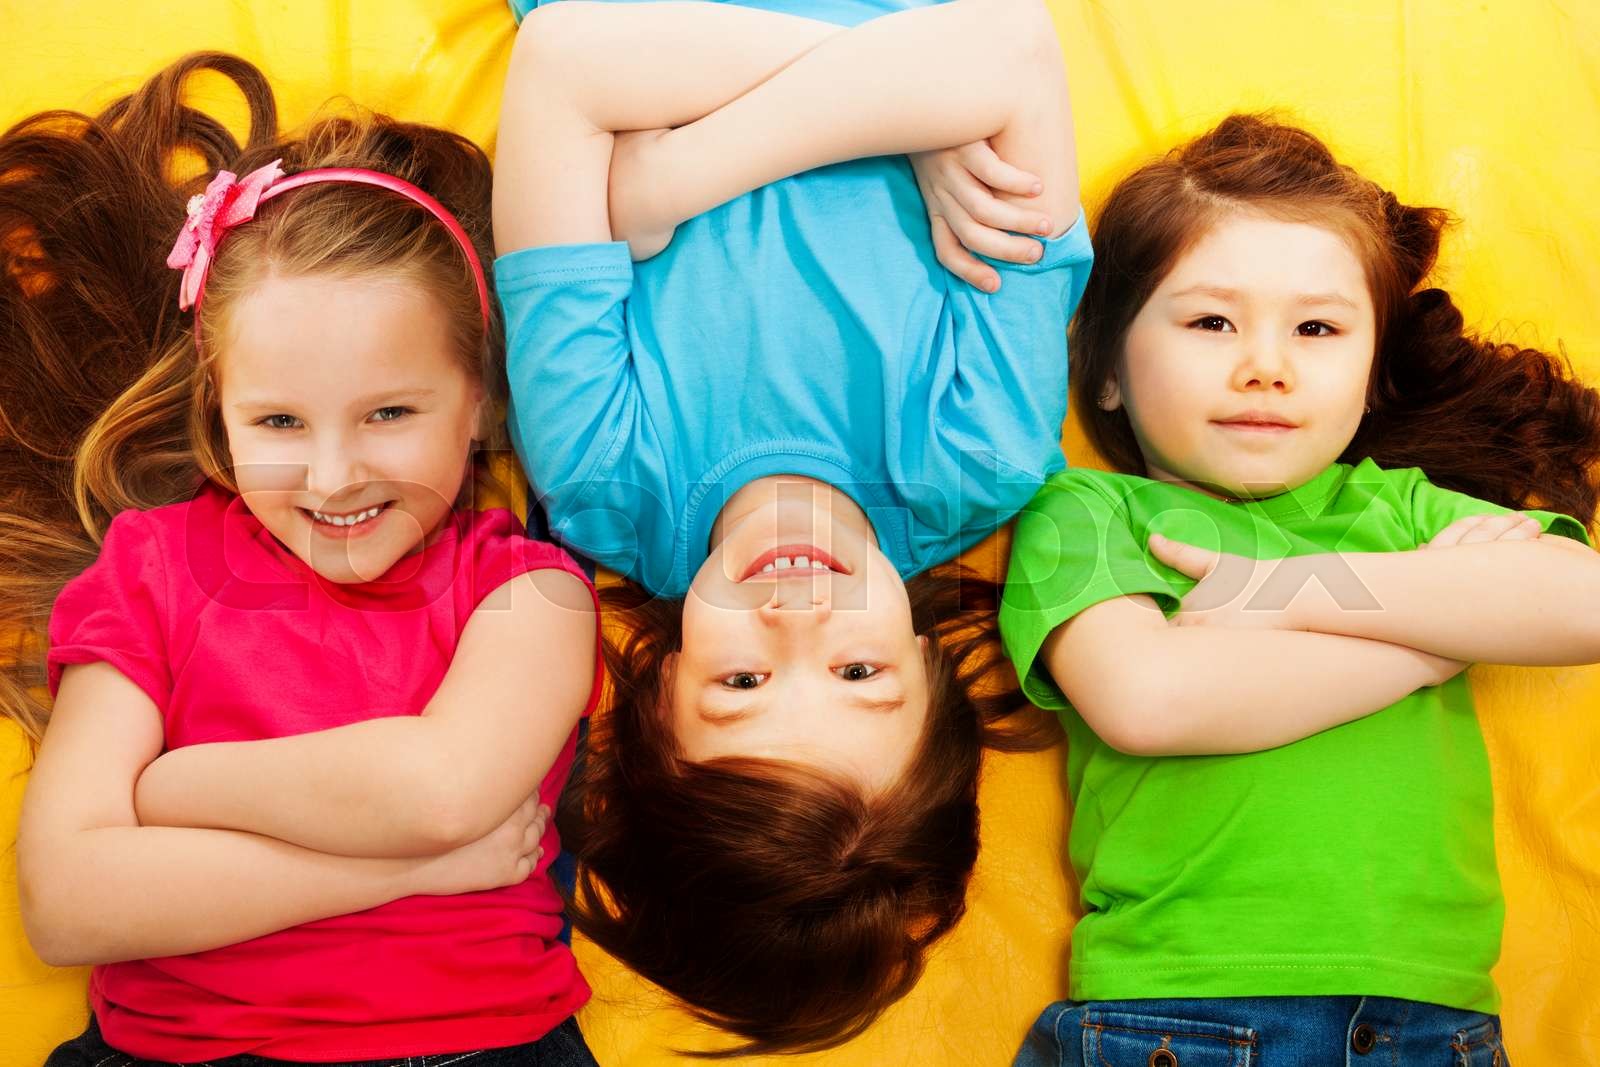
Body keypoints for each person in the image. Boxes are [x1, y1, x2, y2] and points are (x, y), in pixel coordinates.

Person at [494, 0, 1088, 1054]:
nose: (797, 616)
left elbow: (563, 56)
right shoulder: (981, 447)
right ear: (931, 666)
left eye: (742, 683)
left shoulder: (600, 474)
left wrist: (929, 98)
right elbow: (1012, 47)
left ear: (656, 696)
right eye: (859, 672)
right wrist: (904, 113)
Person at [4, 53, 601, 1065]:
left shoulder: (530, 592)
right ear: (219, 412)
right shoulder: (152, 566)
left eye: (390, 413)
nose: (332, 475)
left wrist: (174, 785)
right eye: (279, 420)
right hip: (177, 1051)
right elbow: (66, 901)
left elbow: (441, 791)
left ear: (481, 402)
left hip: (473, 1048)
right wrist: (408, 872)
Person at [1000, 113, 1600, 1066]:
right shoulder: (1089, 512)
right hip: (1180, 1014)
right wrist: (1434, 641)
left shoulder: (1402, 507)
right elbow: (1149, 698)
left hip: (1430, 1024)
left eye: (1317, 328)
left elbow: (1583, 605)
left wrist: (1285, 591)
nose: (1266, 368)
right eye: (1211, 322)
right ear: (1105, 369)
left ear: (1369, 380)